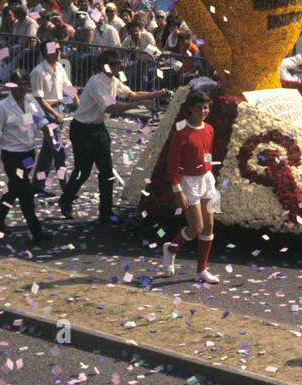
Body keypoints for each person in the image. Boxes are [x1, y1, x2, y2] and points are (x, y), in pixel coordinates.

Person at [59, 53, 164, 226]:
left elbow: (132, 94)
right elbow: (109, 107)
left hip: (98, 128)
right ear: (102, 65)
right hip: (82, 129)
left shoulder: (113, 81)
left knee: (107, 172)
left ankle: (106, 211)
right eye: (112, 63)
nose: (116, 66)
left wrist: (154, 94)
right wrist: (137, 105)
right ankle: (66, 200)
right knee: (83, 171)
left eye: (118, 63)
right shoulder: (96, 82)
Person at [0, 68, 64, 248]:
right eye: (18, 84)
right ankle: (37, 232)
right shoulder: (2, 107)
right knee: (25, 193)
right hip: (12, 156)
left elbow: (41, 121)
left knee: (15, 188)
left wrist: (51, 138)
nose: (22, 88)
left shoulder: (30, 101)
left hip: (28, 155)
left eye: (25, 84)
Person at [161, 90, 221, 283]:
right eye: (199, 108)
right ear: (190, 109)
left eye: (206, 108)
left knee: (209, 226)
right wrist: (177, 190)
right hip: (188, 182)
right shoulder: (181, 132)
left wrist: (208, 169)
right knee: (196, 227)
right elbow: (172, 164)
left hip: (207, 180)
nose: (203, 111)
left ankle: (201, 270)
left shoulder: (209, 129)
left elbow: (207, 153)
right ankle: (171, 249)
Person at [28, 43, 74, 195]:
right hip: (45, 113)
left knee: (48, 151)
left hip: (58, 108)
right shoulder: (38, 72)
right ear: (45, 52)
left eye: (60, 49)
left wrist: (78, 102)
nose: (59, 52)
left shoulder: (60, 67)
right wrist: (55, 114)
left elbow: (68, 86)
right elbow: (39, 99)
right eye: (55, 49)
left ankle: (37, 185)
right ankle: (67, 188)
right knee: (59, 150)